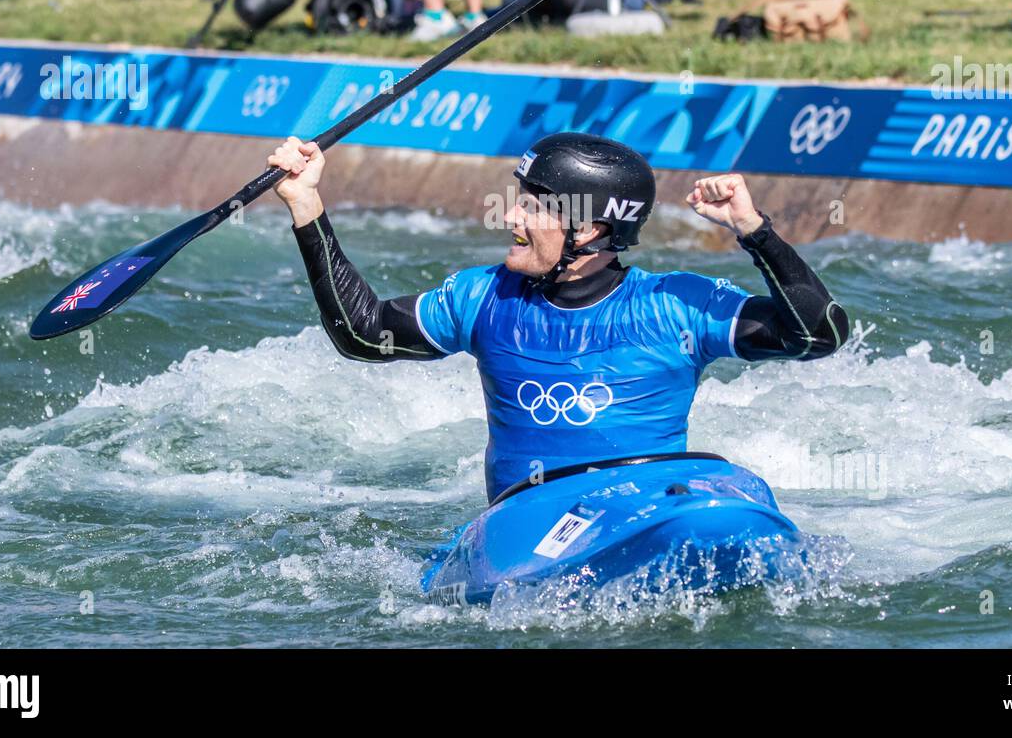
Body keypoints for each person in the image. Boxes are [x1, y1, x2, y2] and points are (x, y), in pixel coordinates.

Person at [267, 132, 848, 503]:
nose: (511, 217)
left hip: (645, 511)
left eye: (533, 205)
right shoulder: (483, 297)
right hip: (528, 528)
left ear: (591, 229)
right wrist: (307, 206)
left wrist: (754, 231)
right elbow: (364, 335)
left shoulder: (675, 305)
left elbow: (818, 334)